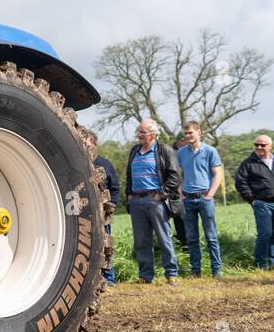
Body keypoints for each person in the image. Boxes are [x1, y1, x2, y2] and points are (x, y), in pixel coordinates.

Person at [124, 119, 181, 284]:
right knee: (141, 241)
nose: (139, 135)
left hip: (155, 201)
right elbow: (129, 175)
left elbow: (174, 175)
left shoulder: (164, 150)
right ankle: (145, 276)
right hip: (136, 201)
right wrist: (129, 194)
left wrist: (161, 194)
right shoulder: (135, 150)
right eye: (139, 132)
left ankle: (171, 275)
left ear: (154, 134)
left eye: (143, 132)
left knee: (164, 239)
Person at [176, 121, 224, 277]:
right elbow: (177, 175)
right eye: (186, 133)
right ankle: (196, 271)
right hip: (188, 199)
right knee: (192, 238)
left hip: (205, 198)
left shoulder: (210, 151)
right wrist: (181, 193)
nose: (188, 136)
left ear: (199, 132)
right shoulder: (181, 153)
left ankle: (216, 270)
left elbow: (218, 174)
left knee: (211, 236)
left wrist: (210, 194)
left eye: (191, 133)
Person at [83, 131, 120, 285]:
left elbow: (115, 187)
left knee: (106, 245)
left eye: (87, 143)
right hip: (85, 213)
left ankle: (109, 278)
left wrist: (112, 207)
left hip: (103, 213)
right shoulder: (80, 164)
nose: (84, 146)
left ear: (95, 144)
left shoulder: (104, 164)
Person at [235, 134, 274, 270]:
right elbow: (240, 183)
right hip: (261, 203)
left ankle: (272, 263)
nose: (259, 147)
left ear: (270, 146)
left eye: (262, 145)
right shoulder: (248, 163)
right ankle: (260, 264)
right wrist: (252, 200)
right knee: (266, 233)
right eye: (256, 144)